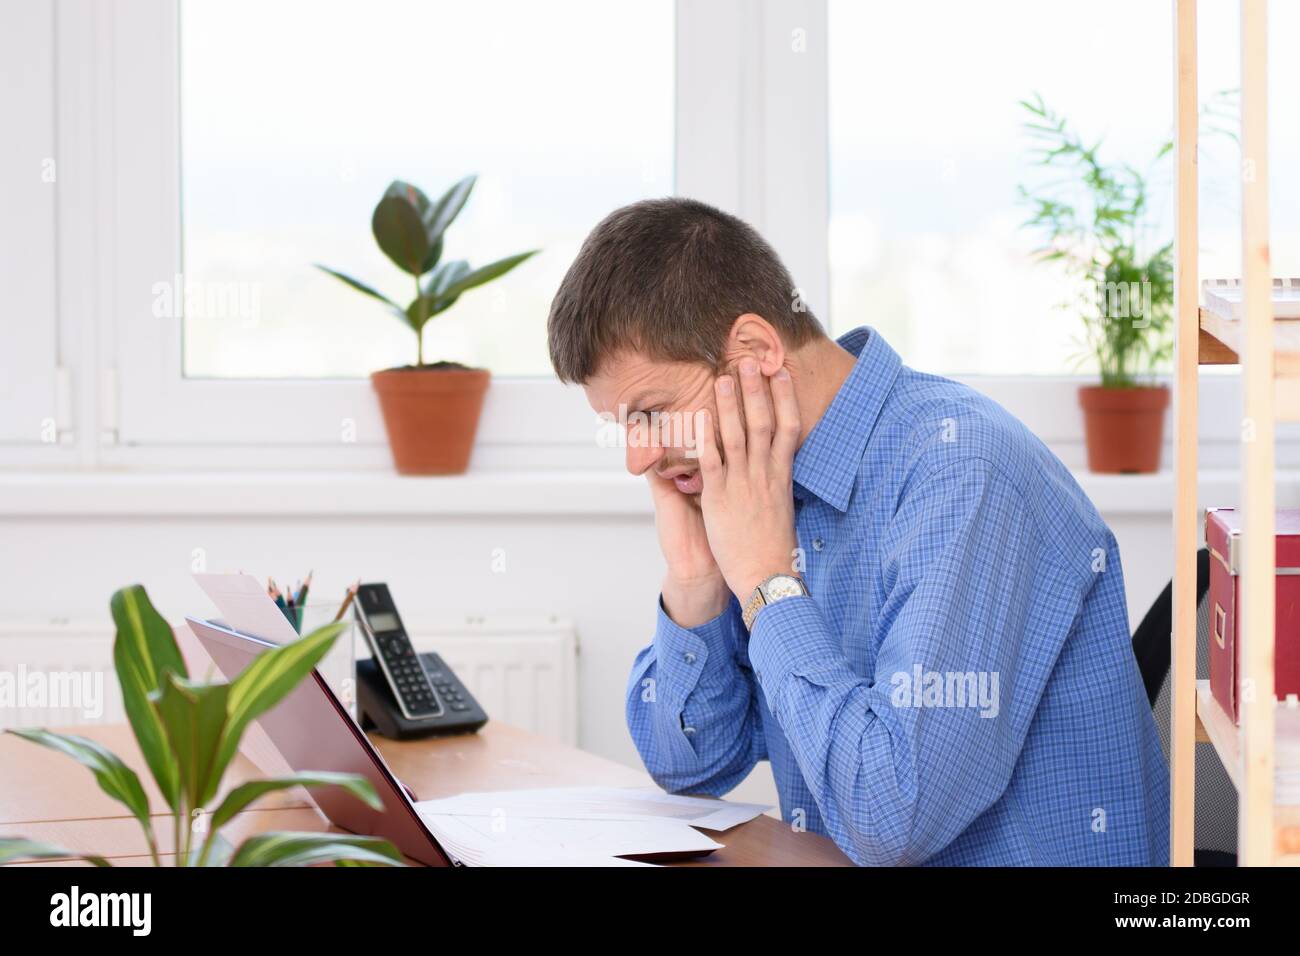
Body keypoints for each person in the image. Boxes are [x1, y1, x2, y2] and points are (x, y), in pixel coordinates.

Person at [546, 197, 1169, 865]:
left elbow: (889, 816)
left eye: (650, 413)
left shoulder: (960, 470)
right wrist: (696, 580)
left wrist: (764, 583)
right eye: (622, 427)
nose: (638, 458)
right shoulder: (757, 489)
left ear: (755, 352)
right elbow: (693, 767)